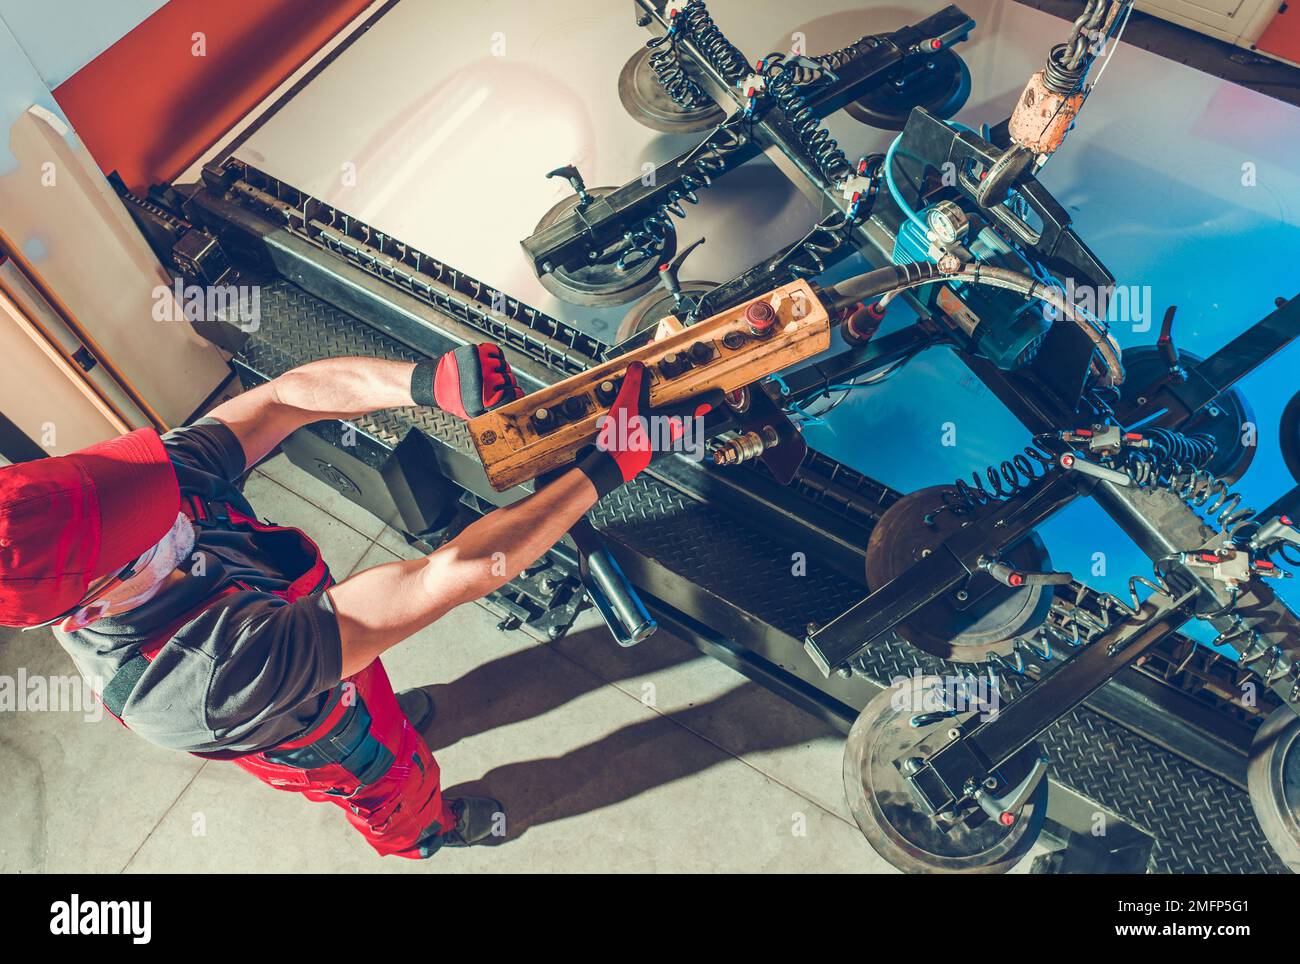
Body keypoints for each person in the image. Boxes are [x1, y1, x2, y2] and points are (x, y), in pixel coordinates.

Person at [0, 345, 660, 858]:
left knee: (368, 683)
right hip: (314, 730)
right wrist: (604, 469)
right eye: (140, 534)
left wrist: (426, 384)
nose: (166, 502)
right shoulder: (186, 684)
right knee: (392, 784)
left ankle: (390, 714)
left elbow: (285, 400)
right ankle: (430, 834)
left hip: (317, 646)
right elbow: (442, 579)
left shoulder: (134, 485)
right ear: (87, 608)